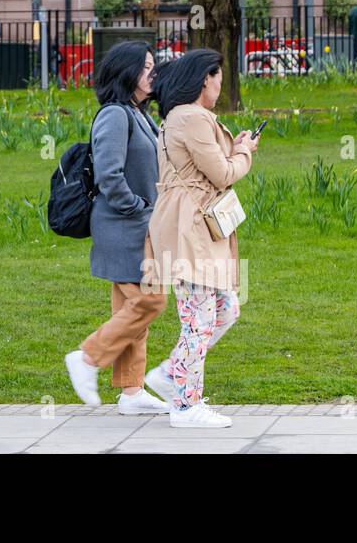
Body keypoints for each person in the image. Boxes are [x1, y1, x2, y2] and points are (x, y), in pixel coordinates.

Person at [141, 48, 259, 429]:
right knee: (199, 318)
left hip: (194, 226)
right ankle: (186, 407)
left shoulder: (187, 117)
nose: (221, 84)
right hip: (189, 228)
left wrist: (236, 147)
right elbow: (223, 173)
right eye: (218, 77)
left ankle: (169, 373)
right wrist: (244, 151)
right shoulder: (191, 118)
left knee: (226, 308)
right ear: (203, 79)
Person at [64, 42, 168, 415]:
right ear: (126, 73)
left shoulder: (138, 112)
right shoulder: (114, 115)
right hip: (123, 227)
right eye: (146, 68)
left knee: (130, 308)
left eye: (154, 67)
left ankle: (131, 391)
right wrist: (138, 207)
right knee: (150, 300)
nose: (152, 75)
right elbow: (110, 175)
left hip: (139, 226)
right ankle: (87, 357)